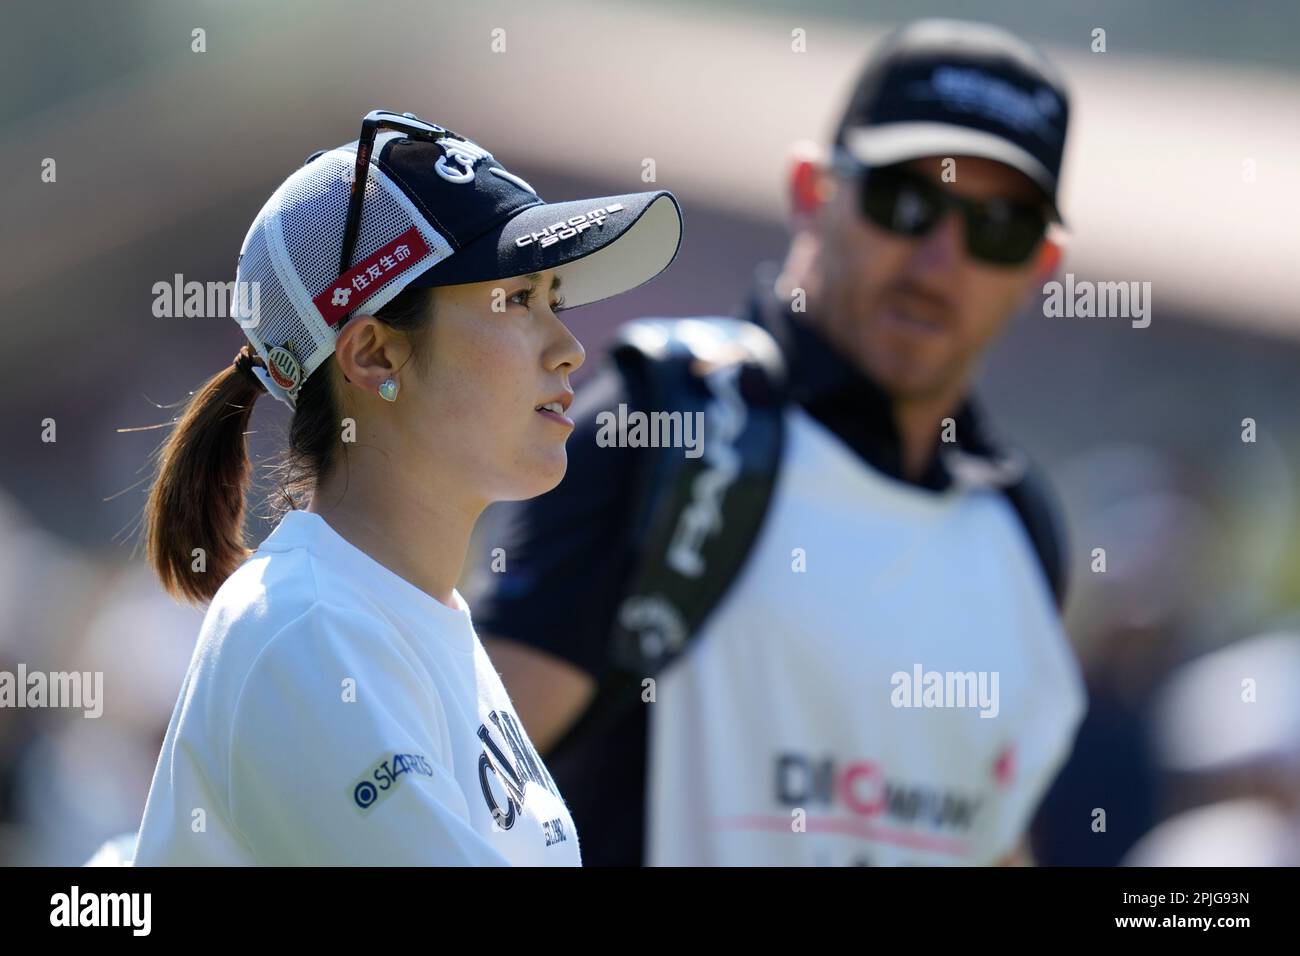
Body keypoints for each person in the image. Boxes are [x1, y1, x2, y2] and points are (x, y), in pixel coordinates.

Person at [474, 20, 1087, 866]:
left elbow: (986, 837)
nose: (940, 260)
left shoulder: (1020, 529)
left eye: (998, 228)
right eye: (904, 203)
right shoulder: (669, 420)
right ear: (811, 190)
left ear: (1042, 266)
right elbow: (458, 802)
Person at [131, 110, 682, 865]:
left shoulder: (403, 615)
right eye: (517, 300)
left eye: (555, 299)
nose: (570, 348)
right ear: (373, 354)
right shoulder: (306, 628)